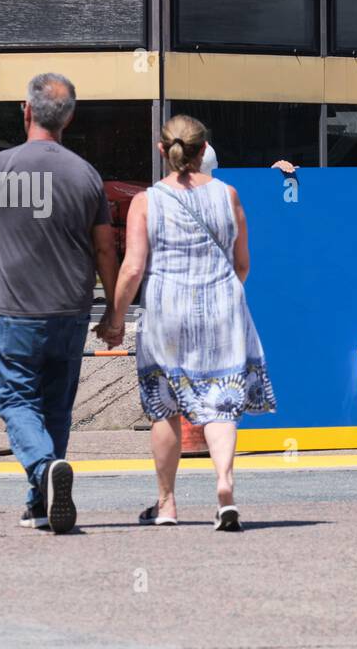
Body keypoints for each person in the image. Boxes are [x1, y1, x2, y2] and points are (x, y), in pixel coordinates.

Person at [0, 73, 117, 533]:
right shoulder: (86, 174)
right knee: (56, 408)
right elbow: (105, 248)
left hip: (21, 311)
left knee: (18, 399)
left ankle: (43, 469)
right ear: (70, 117)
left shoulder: (2, 166)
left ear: (26, 111)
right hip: (72, 311)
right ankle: (40, 502)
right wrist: (115, 310)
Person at [96, 115, 276, 532]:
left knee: (165, 407)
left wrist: (114, 319)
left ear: (163, 150)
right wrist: (219, 292)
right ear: (203, 151)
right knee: (222, 401)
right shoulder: (228, 195)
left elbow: (132, 269)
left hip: (167, 309)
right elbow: (243, 265)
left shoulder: (146, 201)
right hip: (222, 308)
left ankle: (167, 504)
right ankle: (224, 485)